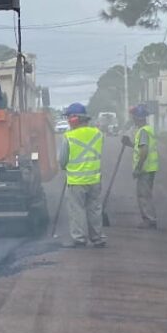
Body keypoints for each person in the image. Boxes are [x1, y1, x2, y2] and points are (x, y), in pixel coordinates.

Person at [58, 102, 106, 248]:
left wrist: (66, 167)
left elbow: (62, 160)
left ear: (74, 119)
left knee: (77, 210)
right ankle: (97, 238)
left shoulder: (68, 136)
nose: (67, 121)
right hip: (94, 179)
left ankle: (79, 238)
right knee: (94, 209)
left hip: (76, 181)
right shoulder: (98, 134)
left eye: (69, 118)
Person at [130, 104, 158, 228]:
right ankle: (149, 219)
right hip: (151, 167)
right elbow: (140, 147)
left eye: (134, 117)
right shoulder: (148, 129)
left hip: (145, 169)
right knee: (146, 193)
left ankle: (149, 220)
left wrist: (138, 168)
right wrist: (130, 144)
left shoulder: (142, 132)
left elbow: (144, 151)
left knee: (144, 195)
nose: (133, 119)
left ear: (138, 118)